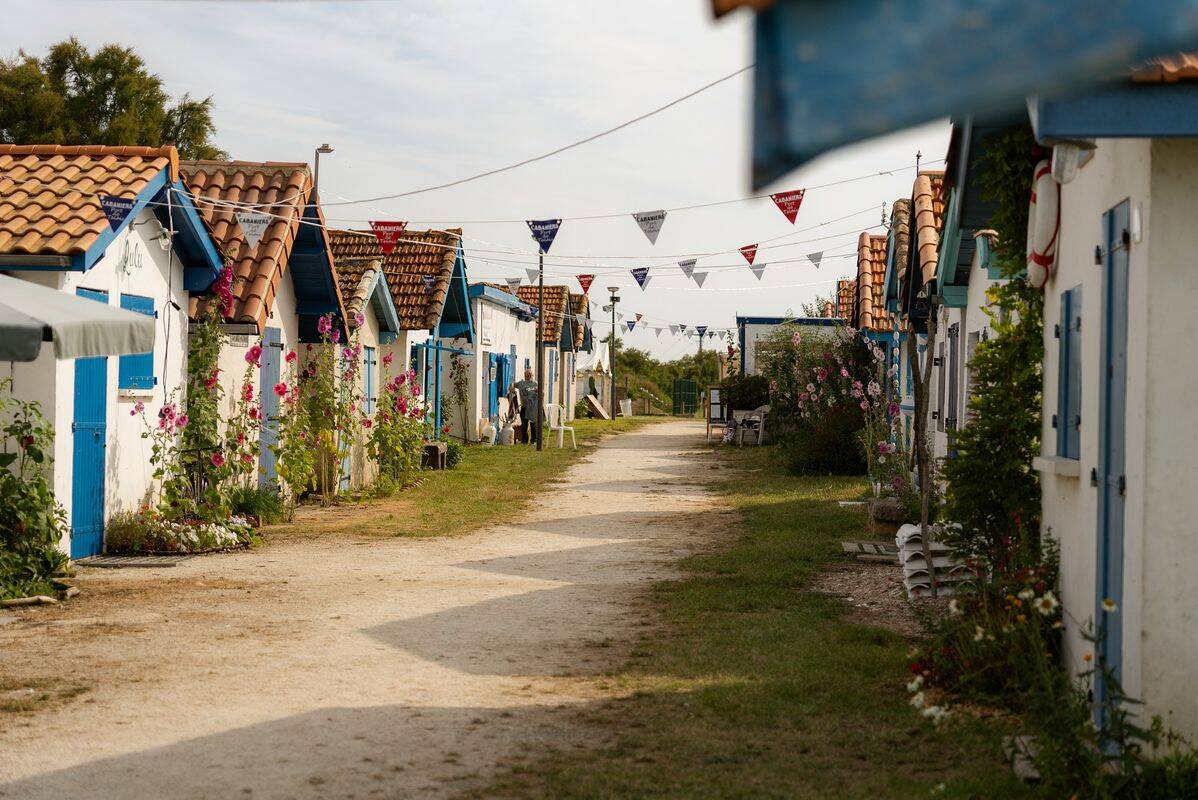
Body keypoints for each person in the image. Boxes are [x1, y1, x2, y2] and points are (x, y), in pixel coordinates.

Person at [513, 369, 540, 444]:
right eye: (526, 376)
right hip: (524, 407)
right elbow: (513, 384)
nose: (527, 377)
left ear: (532, 376)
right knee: (524, 425)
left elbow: (541, 393)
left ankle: (533, 441)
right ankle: (524, 440)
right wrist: (512, 388)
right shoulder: (521, 383)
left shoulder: (535, 384)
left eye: (529, 376)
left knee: (533, 424)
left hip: (532, 408)